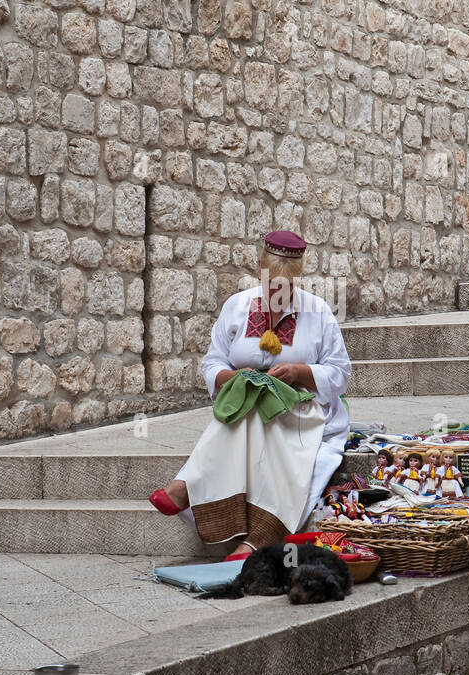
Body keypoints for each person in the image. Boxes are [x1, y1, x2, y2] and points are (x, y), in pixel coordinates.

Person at [149, 231, 352, 559]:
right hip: (245, 406)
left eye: (285, 288)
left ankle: (195, 489)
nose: (278, 293)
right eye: (272, 285)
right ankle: (248, 531)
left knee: (258, 418)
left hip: (301, 412)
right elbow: (213, 362)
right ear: (260, 267)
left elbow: (340, 373)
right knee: (249, 404)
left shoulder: (318, 313)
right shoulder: (237, 307)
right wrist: (234, 376)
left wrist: (298, 372)